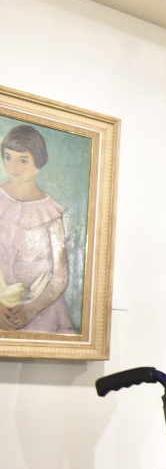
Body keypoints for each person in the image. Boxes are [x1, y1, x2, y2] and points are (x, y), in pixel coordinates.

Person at [0, 124, 74, 334]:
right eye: (8, 157)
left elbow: (61, 277)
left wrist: (31, 309)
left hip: (41, 312)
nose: (13, 166)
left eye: (23, 160)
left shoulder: (52, 214)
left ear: (38, 165)